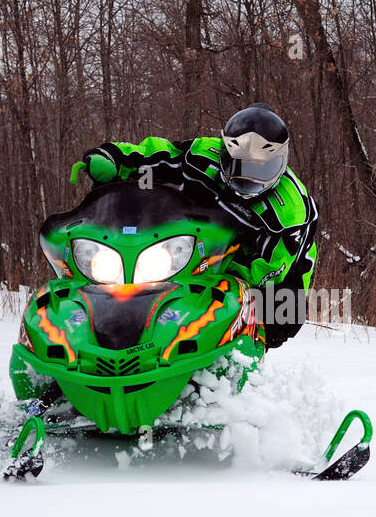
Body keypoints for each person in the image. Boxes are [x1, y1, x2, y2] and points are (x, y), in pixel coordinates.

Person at [70, 103, 318, 347]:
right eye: (238, 164)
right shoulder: (202, 155)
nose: (246, 177)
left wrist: (213, 264)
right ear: (223, 151)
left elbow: (268, 271)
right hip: (191, 242)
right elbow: (160, 154)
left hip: (273, 273)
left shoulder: (291, 212)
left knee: (278, 315)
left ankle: (236, 360)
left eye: (259, 168)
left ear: (281, 159)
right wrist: (114, 157)